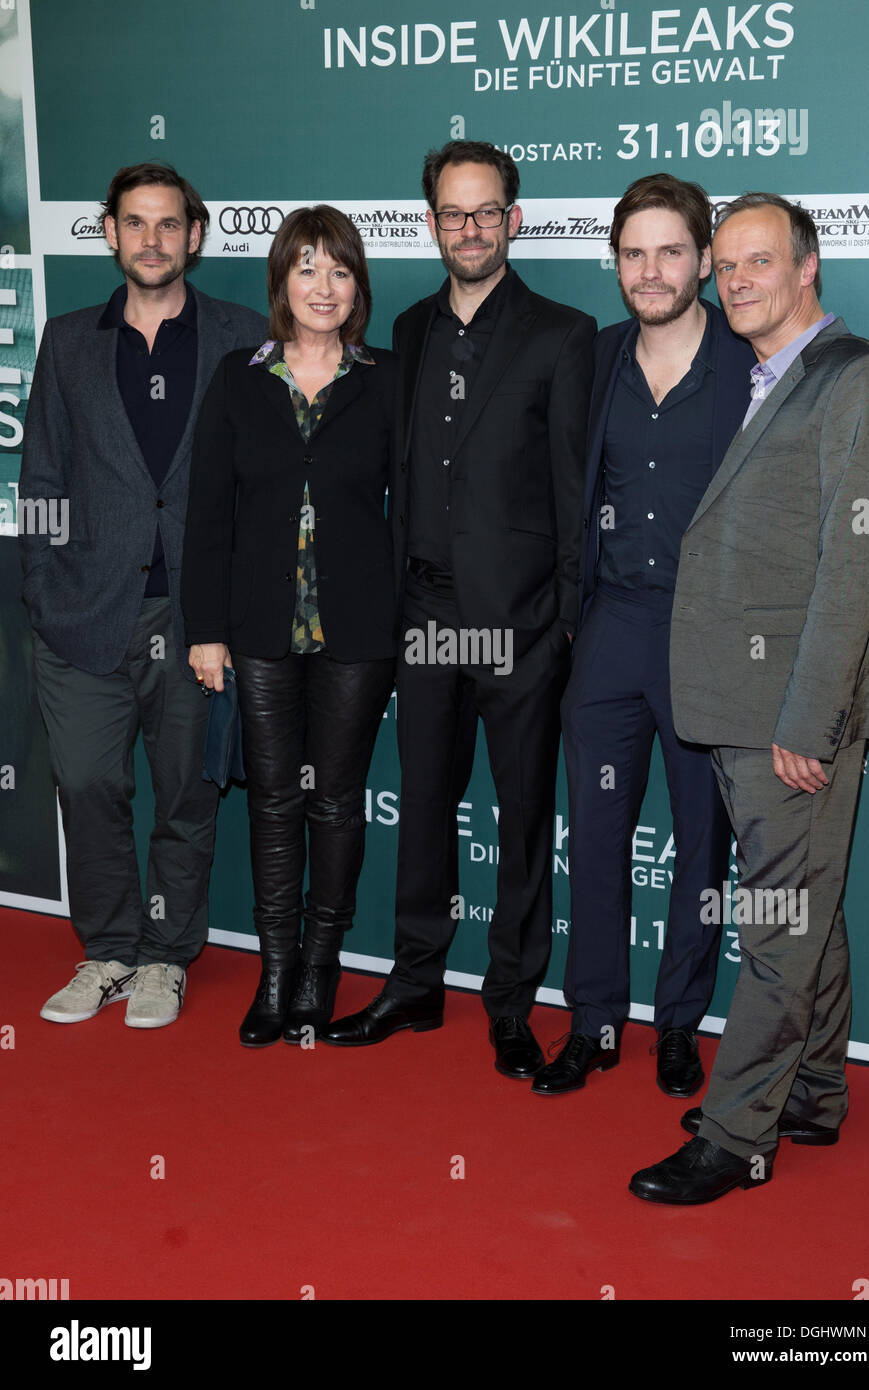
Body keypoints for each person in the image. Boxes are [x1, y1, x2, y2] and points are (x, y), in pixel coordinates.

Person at [630, 192, 869, 1203]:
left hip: (790, 714)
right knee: (802, 909)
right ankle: (816, 1089)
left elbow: (853, 562)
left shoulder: (855, 376)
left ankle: (736, 1132)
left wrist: (807, 720)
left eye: (758, 261)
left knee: (777, 925)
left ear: (808, 266)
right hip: (743, 704)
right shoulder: (769, 376)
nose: (736, 280)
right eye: (726, 265)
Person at [324, 140, 596, 1078]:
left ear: (512, 221)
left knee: (521, 819)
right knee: (426, 809)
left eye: (486, 212)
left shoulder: (563, 334)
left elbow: (572, 490)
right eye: (452, 213)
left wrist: (560, 622)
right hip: (427, 616)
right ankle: (414, 984)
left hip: (519, 625)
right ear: (431, 222)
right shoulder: (406, 330)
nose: (469, 228)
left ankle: (512, 1002)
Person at [20, 162, 267, 1030]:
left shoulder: (243, 335)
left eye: (169, 225)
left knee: (185, 794)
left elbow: (259, 482)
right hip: (82, 613)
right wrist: (47, 588)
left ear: (194, 237)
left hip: (195, 620)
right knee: (88, 785)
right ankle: (107, 949)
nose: (152, 240)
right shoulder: (68, 341)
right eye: (135, 224)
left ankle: (164, 956)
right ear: (111, 234)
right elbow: (42, 474)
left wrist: (233, 612)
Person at [533, 174, 755, 1099]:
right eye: (633, 253)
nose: (651, 270)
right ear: (614, 262)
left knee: (701, 843)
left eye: (671, 251)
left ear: (703, 260)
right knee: (593, 833)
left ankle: (677, 1027)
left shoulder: (750, 367)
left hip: (708, 637)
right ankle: (592, 1022)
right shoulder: (594, 358)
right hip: (611, 631)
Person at [181, 205, 397, 1048]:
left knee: (336, 802)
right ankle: (274, 974)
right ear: (281, 281)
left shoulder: (383, 380)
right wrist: (206, 629)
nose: (323, 286)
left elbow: (408, 512)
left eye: (339, 271)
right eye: (307, 268)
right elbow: (208, 515)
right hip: (258, 625)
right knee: (273, 801)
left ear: (357, 288)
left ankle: (320, 967)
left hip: (357, 629)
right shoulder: (239, 376)